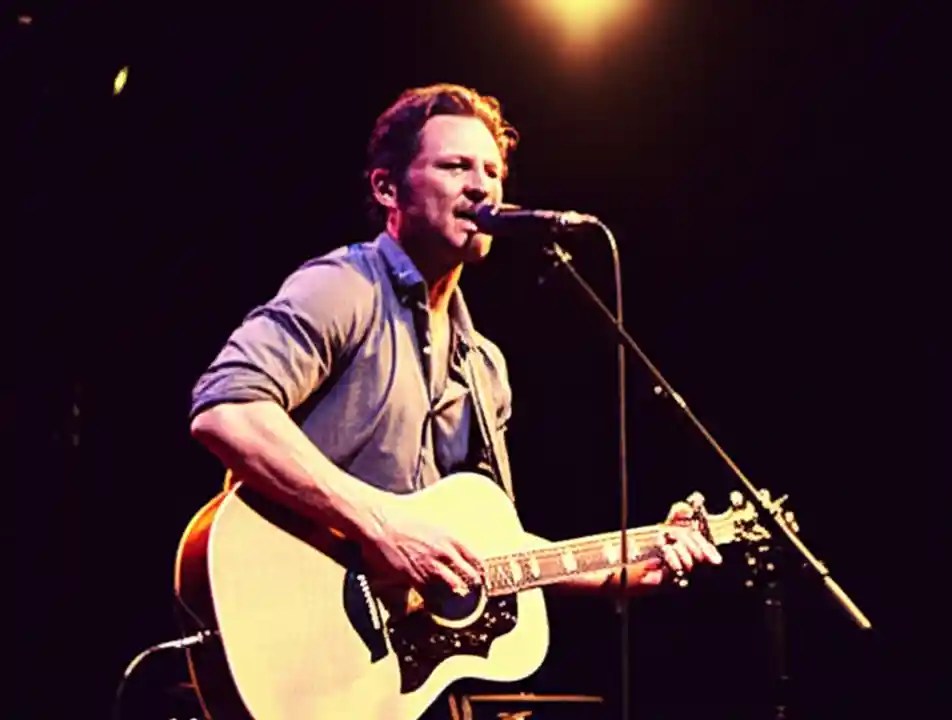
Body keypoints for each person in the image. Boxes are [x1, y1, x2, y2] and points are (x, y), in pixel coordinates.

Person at [187, 83, 722, 717]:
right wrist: (381, 526)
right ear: (388, 189)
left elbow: (493, 553)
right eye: (455, 166)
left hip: (391, 683)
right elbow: (226, 409)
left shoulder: (484, 366)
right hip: (298, 631)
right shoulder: (344, 288)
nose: (482, 186)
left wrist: (625, 566)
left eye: (492, 170)